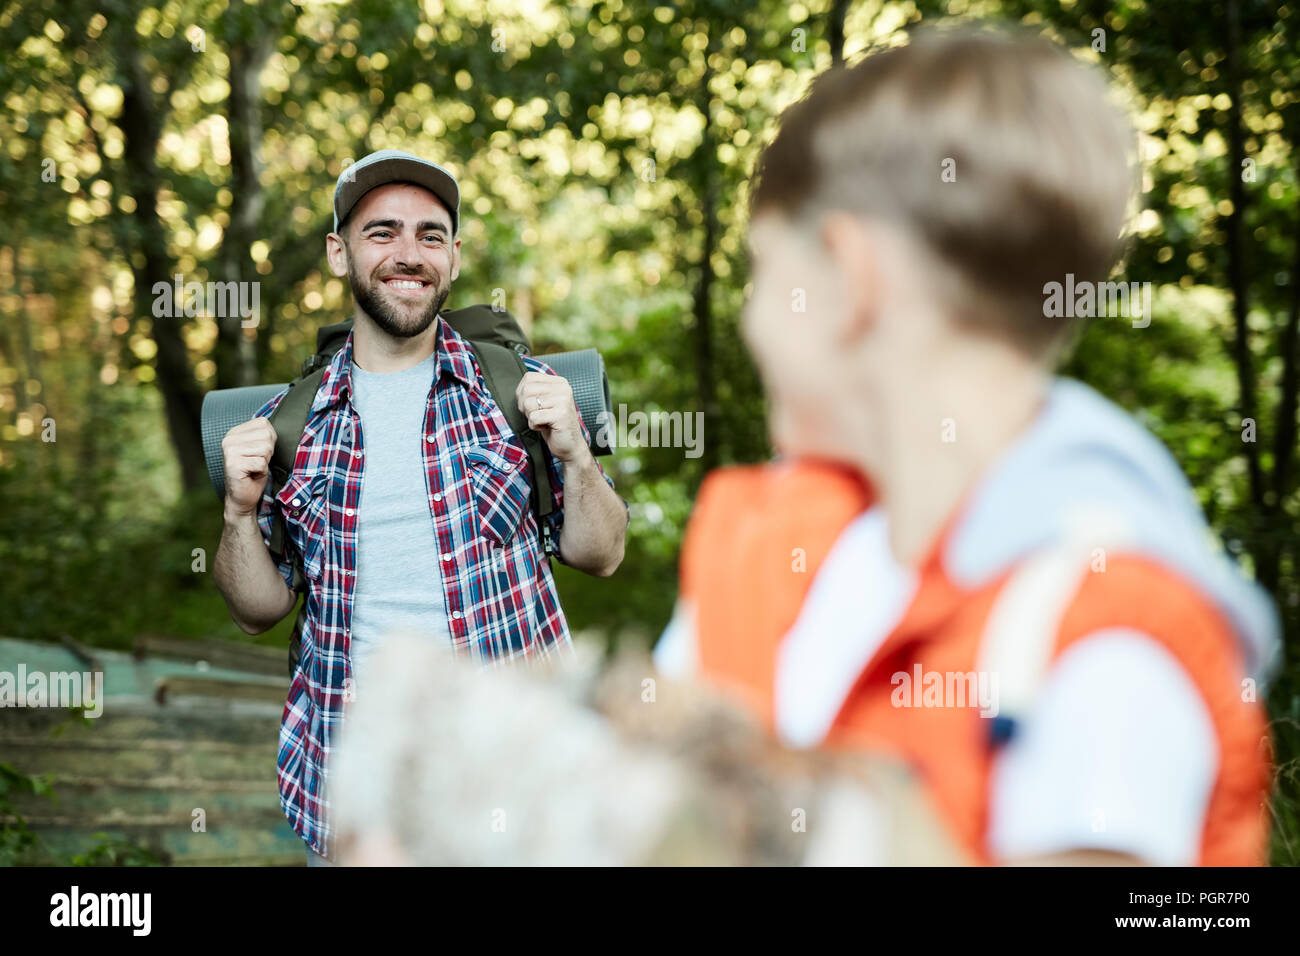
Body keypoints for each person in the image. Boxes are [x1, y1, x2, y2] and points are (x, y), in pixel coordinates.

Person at [656, 27, 1280, 865]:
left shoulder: (1105, 644)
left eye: (763, 272)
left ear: (849, 277)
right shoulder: (770, 551)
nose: (749, 319)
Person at [213, 149, 629, 865]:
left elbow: (602, 554)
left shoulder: (522, 393)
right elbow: (256, 610)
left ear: (456, 257)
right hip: (359, 790)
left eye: (430, 235)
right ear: (339, 254)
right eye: (382, 233)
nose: (410, 254)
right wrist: (238, 516)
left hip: (519, 778)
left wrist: (577, 456)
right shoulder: (290, 425)